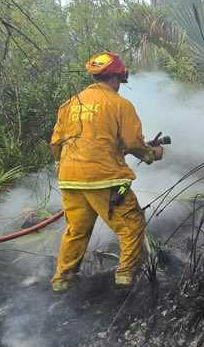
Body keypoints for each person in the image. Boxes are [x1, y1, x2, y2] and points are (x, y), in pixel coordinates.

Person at [49, 52, 164, 292]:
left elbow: (55, 143)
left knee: (76, 231)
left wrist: (68, 165)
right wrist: (152, 153)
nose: (120, 84)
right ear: (116, 77)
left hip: (70, 180)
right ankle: (125, 278)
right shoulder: (120, 104)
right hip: (108, 181)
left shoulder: (70, 104)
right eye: (120, 80)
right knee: (131, 224)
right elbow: (133, 142)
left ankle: (62, 281)